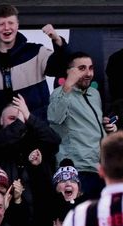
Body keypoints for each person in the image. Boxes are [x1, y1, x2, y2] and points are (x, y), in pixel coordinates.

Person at [0, 3, 69, 142]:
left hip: (36, 131)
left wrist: (57, 41)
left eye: (10, 22)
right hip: (2, 137)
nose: (6, 28)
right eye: (1, 24)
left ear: (17, 24)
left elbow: (61, 67)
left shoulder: (35, 52)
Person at [48, 52, 107, 197]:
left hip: (97, 167)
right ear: (69, 72)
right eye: (82, 68)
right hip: (75, 169)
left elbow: (90, 126)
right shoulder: (59, 93)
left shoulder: (94, 94)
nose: (88, 73)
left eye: (91, 68)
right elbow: (54, 118)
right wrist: (67, 86)